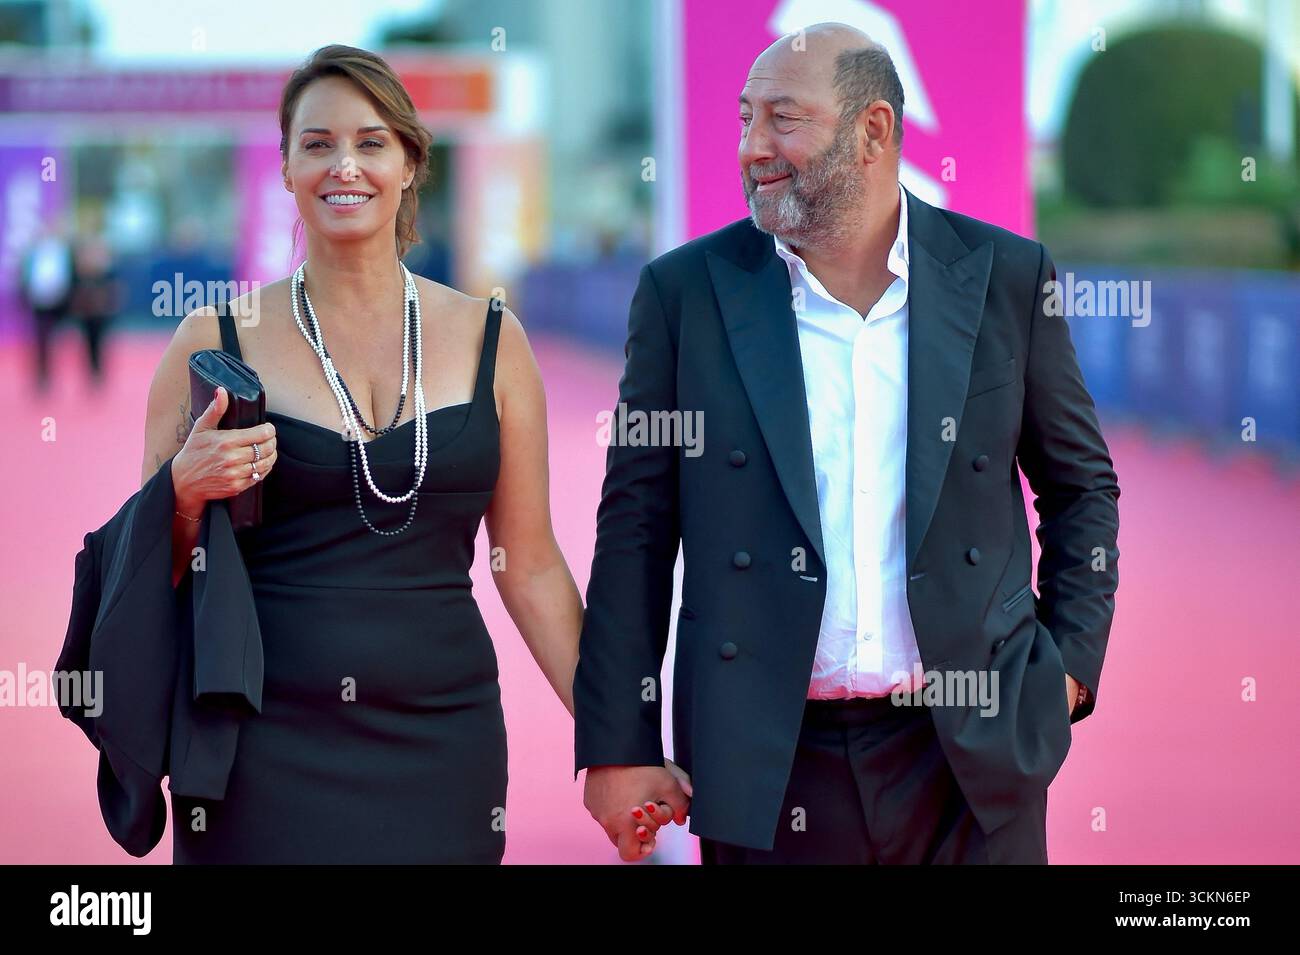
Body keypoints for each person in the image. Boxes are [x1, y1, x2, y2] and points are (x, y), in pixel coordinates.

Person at [574, 22, 1120, 864]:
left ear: (873, 132)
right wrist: (618, 741)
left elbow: (1081, 486)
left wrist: (1069, 670)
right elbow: (636, 530)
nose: (753, 146)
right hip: (768, 763)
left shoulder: (1004, 276)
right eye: (745, 118)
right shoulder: (685, 293)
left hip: (971, 756)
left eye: (783, 119)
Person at [135, 44, 599, 863]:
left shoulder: (495, 340)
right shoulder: (210, 341)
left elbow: (526, 564)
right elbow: (148, 576)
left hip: (443, 742)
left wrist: (617, 736)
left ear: (412, 162)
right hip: (259, 745)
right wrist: (180, 493)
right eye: (316, 143)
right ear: (284, 166)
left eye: (372, 141)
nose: (343, 164)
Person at [19, 219, 75, 393]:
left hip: (61, 301)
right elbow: (26, 276)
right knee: (41, 340)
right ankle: (43, 377)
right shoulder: (33, 253)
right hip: (39, 301)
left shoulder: (64, 252)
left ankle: (68, 376)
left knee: (64, 339)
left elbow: (71, 275)